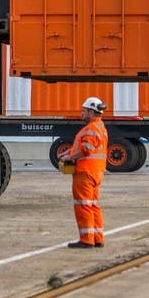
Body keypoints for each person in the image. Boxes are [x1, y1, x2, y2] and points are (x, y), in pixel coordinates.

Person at [59, 96, 108, 249]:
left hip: (85, 172)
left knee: (83, 206)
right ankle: (97, 238)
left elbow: (87, 150)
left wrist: (69, 157)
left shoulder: (92, 128)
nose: (82, 113)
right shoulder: (99, 126)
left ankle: (86, 240)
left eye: (84, 111)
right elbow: (85, 146)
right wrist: (69, 151)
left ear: (91, 112)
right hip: (96, 172)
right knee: (93, 205)